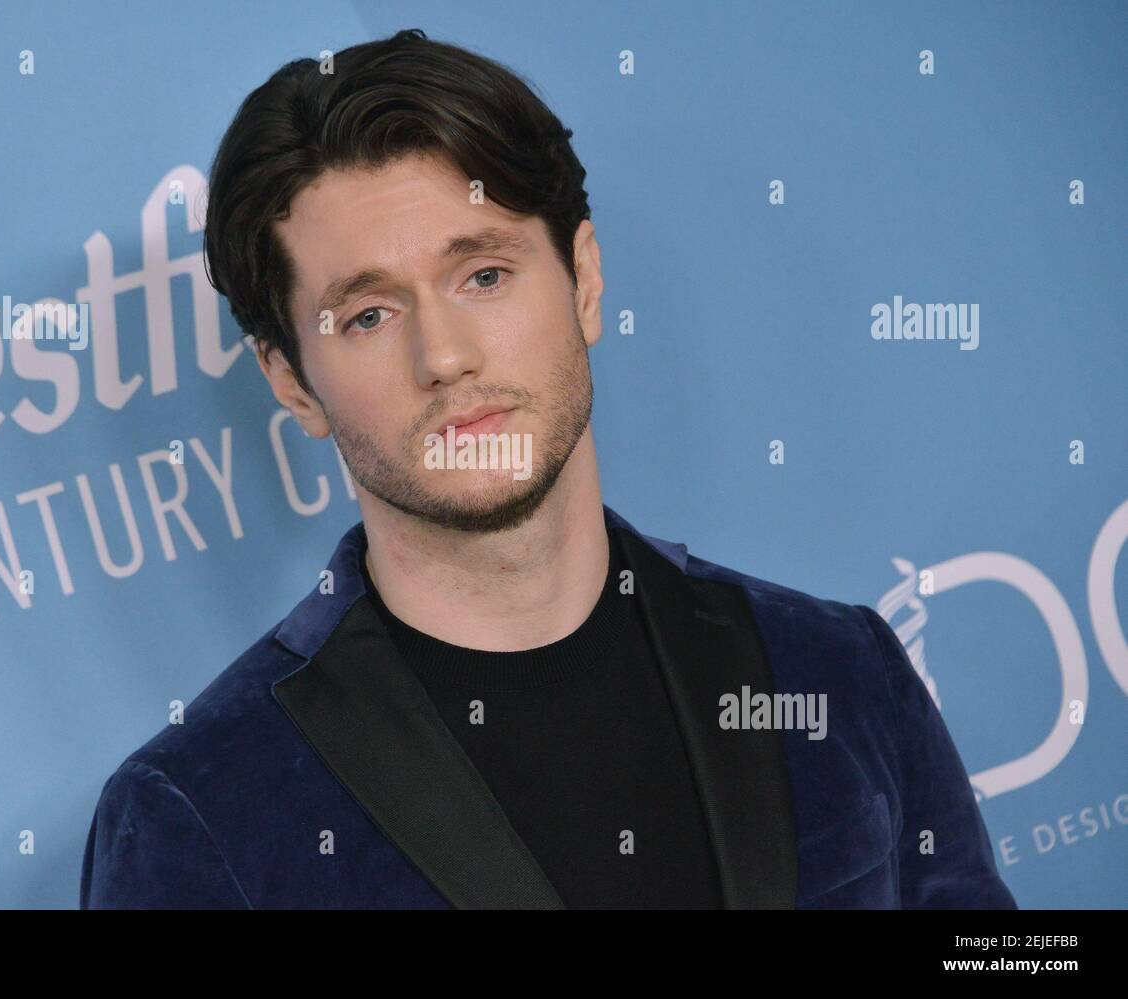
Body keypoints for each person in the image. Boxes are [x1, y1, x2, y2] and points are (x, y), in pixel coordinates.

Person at [79, 28, 1016, 909]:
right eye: (368, 315)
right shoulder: (199, 808)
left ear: (587, 279)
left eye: (483, 275)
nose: (444, 357)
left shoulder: (839, 669)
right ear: (291, 382)